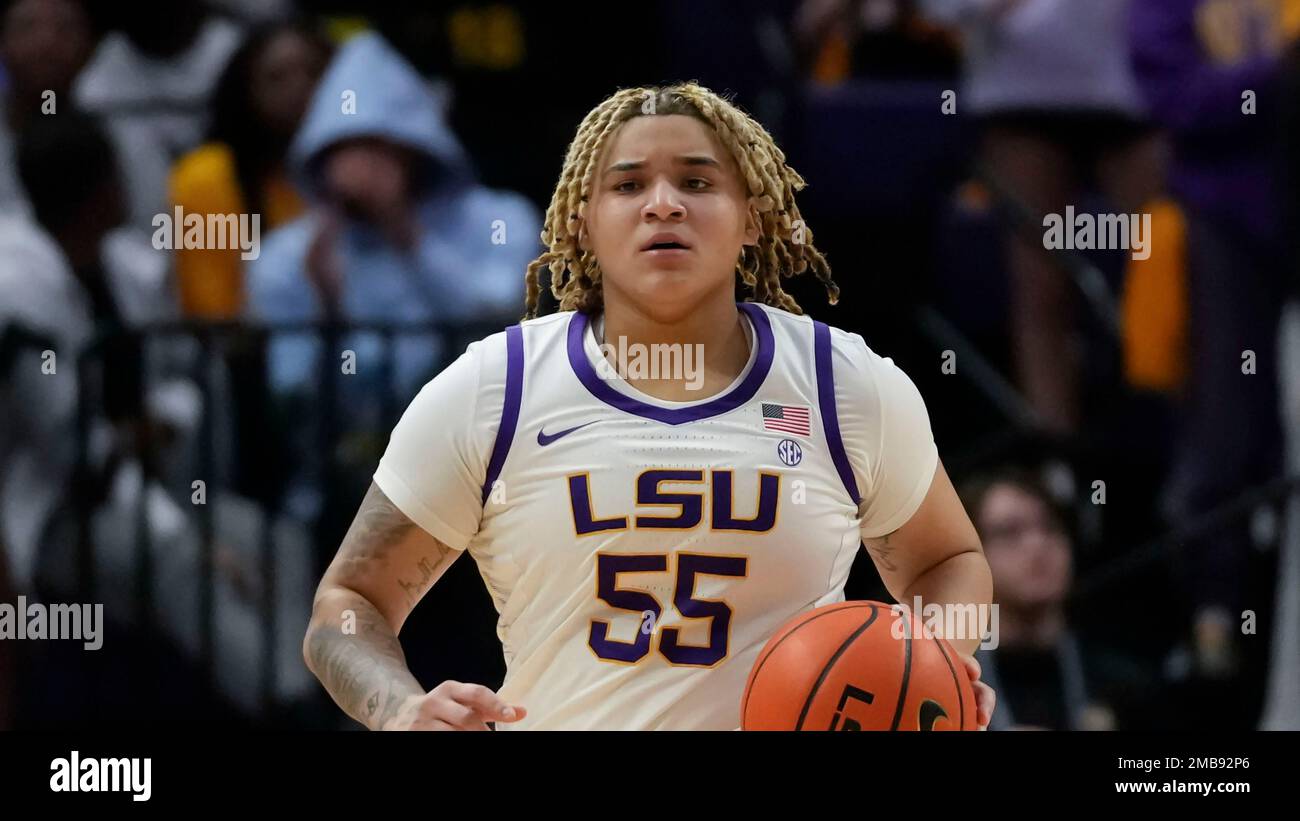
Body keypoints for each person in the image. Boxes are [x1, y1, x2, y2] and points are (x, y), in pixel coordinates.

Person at [303, 82, 996, 731]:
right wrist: (396, 707)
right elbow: (347, 606)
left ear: (752, 219)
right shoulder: (495, 387)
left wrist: (924, 661)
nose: (663, 203)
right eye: (629, 184)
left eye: (697, 181)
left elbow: (949, 557)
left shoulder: (843, 383)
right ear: (584, 225)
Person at [963, 467, 1155, 730]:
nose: (1037, 545)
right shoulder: (951, 682)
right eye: (1010, 533)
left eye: (1051, 528)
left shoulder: (1121, 682)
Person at [170, 20, 332, 319]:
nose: (300, 88)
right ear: (246, 91)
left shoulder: (358, 169)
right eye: (276, 77)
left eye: (314, 72)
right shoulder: (205, 177)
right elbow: (214, 312)